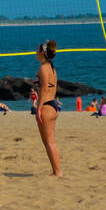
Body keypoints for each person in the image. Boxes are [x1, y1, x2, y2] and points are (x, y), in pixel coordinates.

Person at [34, 41, 62, 176]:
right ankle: (56, 171)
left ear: (42, 52)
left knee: (50, 143)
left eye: (37, 49)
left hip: (46, 107)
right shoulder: (51, 67)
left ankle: (57, 172)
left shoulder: (44, 68)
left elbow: (45, 89)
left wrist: (38, 109)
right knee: (49, 142)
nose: (35, 51)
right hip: (52, 105)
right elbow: (48, 88)